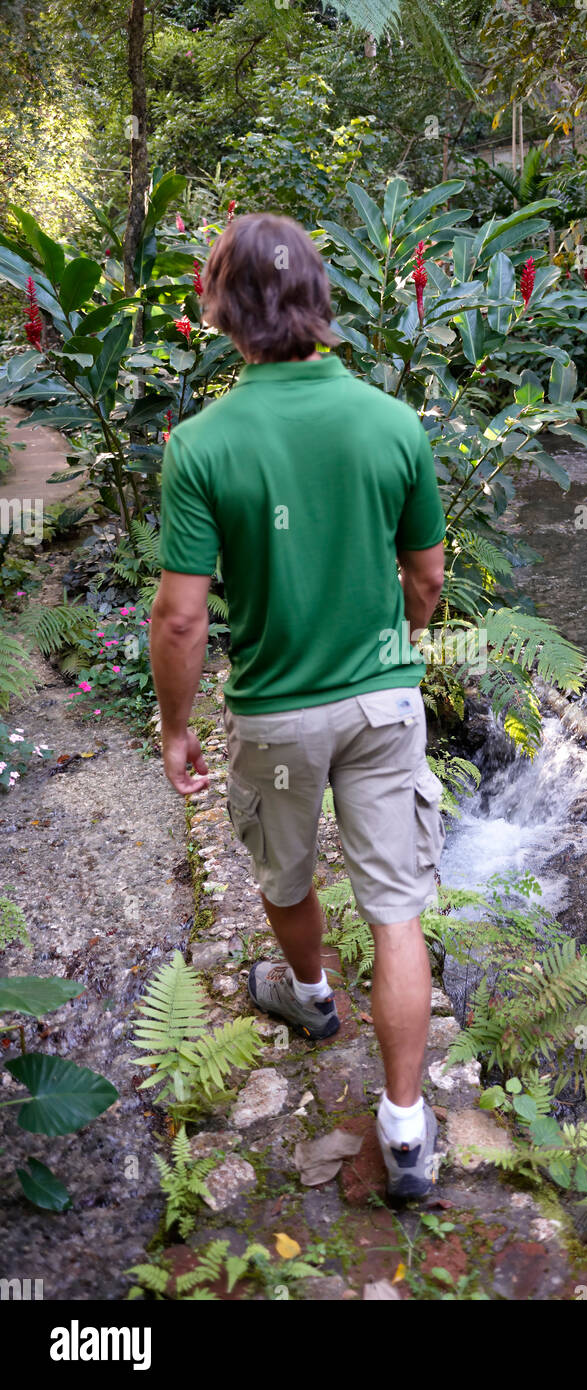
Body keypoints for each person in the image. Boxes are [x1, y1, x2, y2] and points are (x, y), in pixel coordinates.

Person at [150, 212, 446, 1199]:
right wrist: (394, 640)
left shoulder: (201, 443)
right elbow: (426, 575)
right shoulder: (391, 422)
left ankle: (312, 998)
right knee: (396, 911)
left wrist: (177, 726)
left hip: (277, 719)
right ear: (319, 302)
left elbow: (182, 620)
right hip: (380, 707)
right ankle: (406, 1131)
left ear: (227, 313)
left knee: (285, 869)